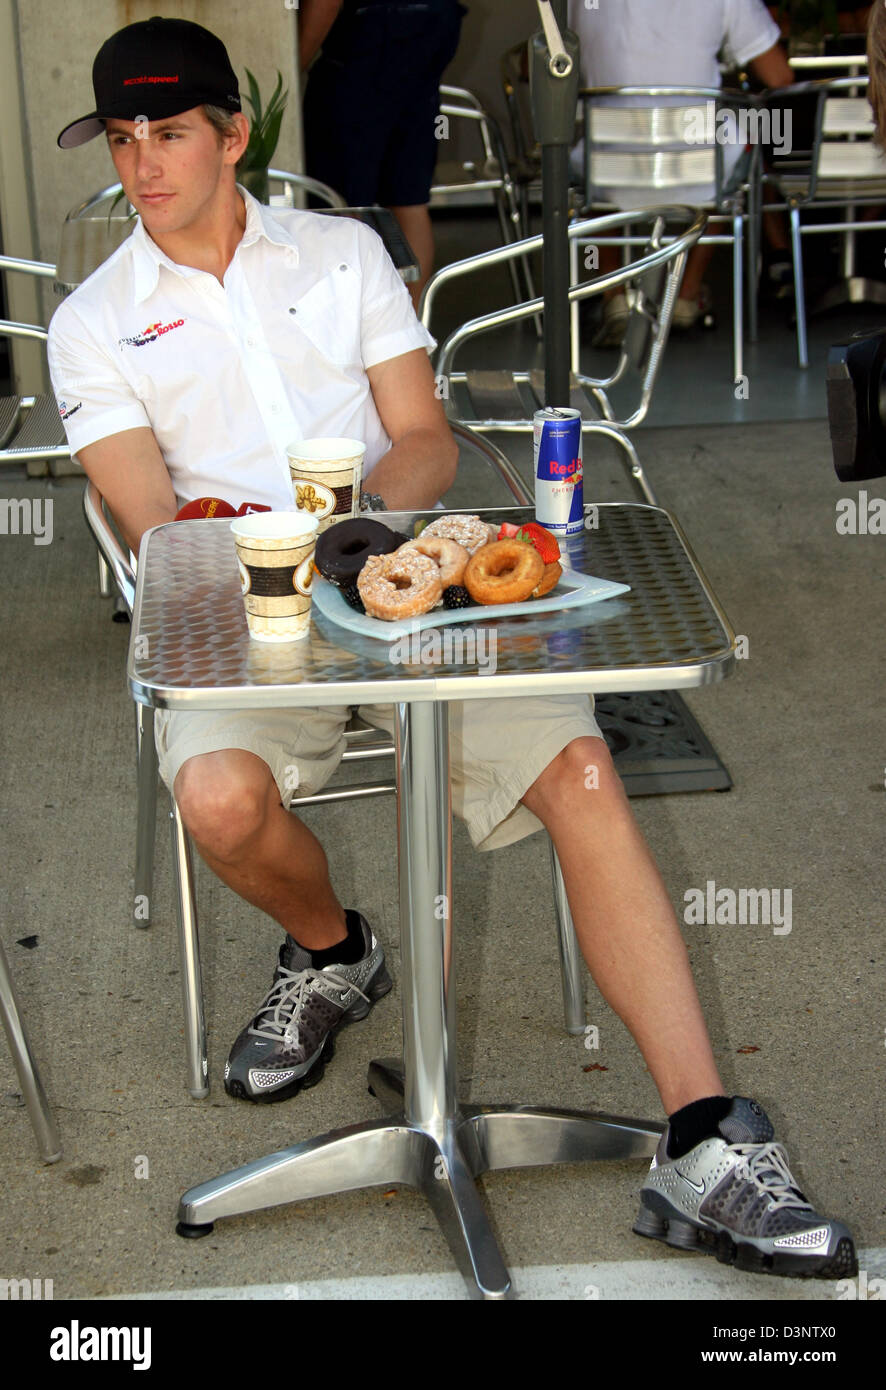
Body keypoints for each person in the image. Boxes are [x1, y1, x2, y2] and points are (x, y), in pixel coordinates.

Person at [49, 16, 856, 1281]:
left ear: (230, 134)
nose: (143, 163)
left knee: (585, 769)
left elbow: (421, 434)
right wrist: (280, 564)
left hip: (413, 596)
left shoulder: (343, 250)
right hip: (241, 625)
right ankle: (334, 953)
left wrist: (385, 535)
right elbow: (151, 523)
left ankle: (705, 1146)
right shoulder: (94, 322)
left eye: (169, 131)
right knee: (216, 796)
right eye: (124, 138)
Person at [567, 0, 794, 343]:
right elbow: (779, 75)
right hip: (698, 172)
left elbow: (534, 65)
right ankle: (686, 293)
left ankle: (614, 295)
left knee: (592, 158)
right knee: (736, 149)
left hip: (609, 170)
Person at [299, 0, 467, 307]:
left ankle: (351, 334)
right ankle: (408, 331)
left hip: (373, 33)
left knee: (339, 205)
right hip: (430, 23)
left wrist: (291, 64)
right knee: (409, 198)